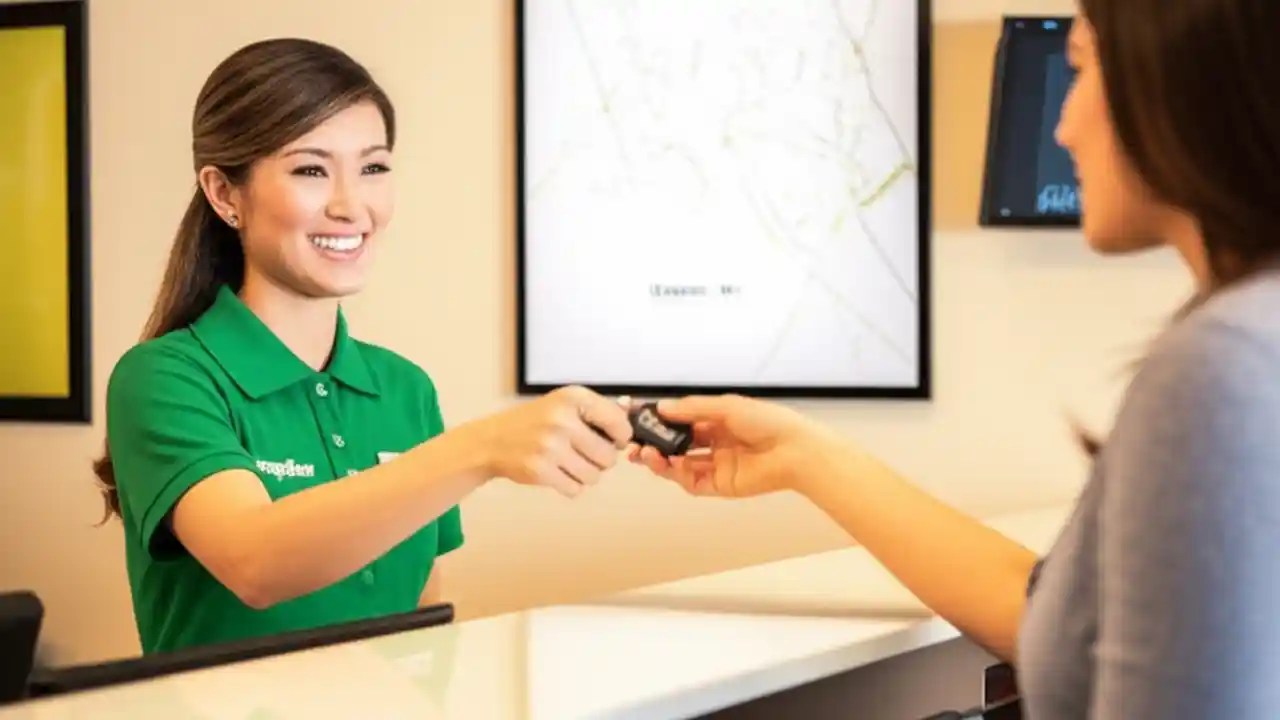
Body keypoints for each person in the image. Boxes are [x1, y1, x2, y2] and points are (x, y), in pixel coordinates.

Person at [631, 3, 1280, 718]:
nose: (1063, 126)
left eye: (1081, 67)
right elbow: (1057, 624)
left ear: (1177, 76)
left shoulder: (1222, 371)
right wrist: (804, 457)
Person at [95, 38, 633, 655]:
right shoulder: (164, 379)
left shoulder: (405, 389)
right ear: (224, 195)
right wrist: (481, 448)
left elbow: (426, 624)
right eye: (310, 170)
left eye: (373, 167)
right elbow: (255, 561)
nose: (353, 207)